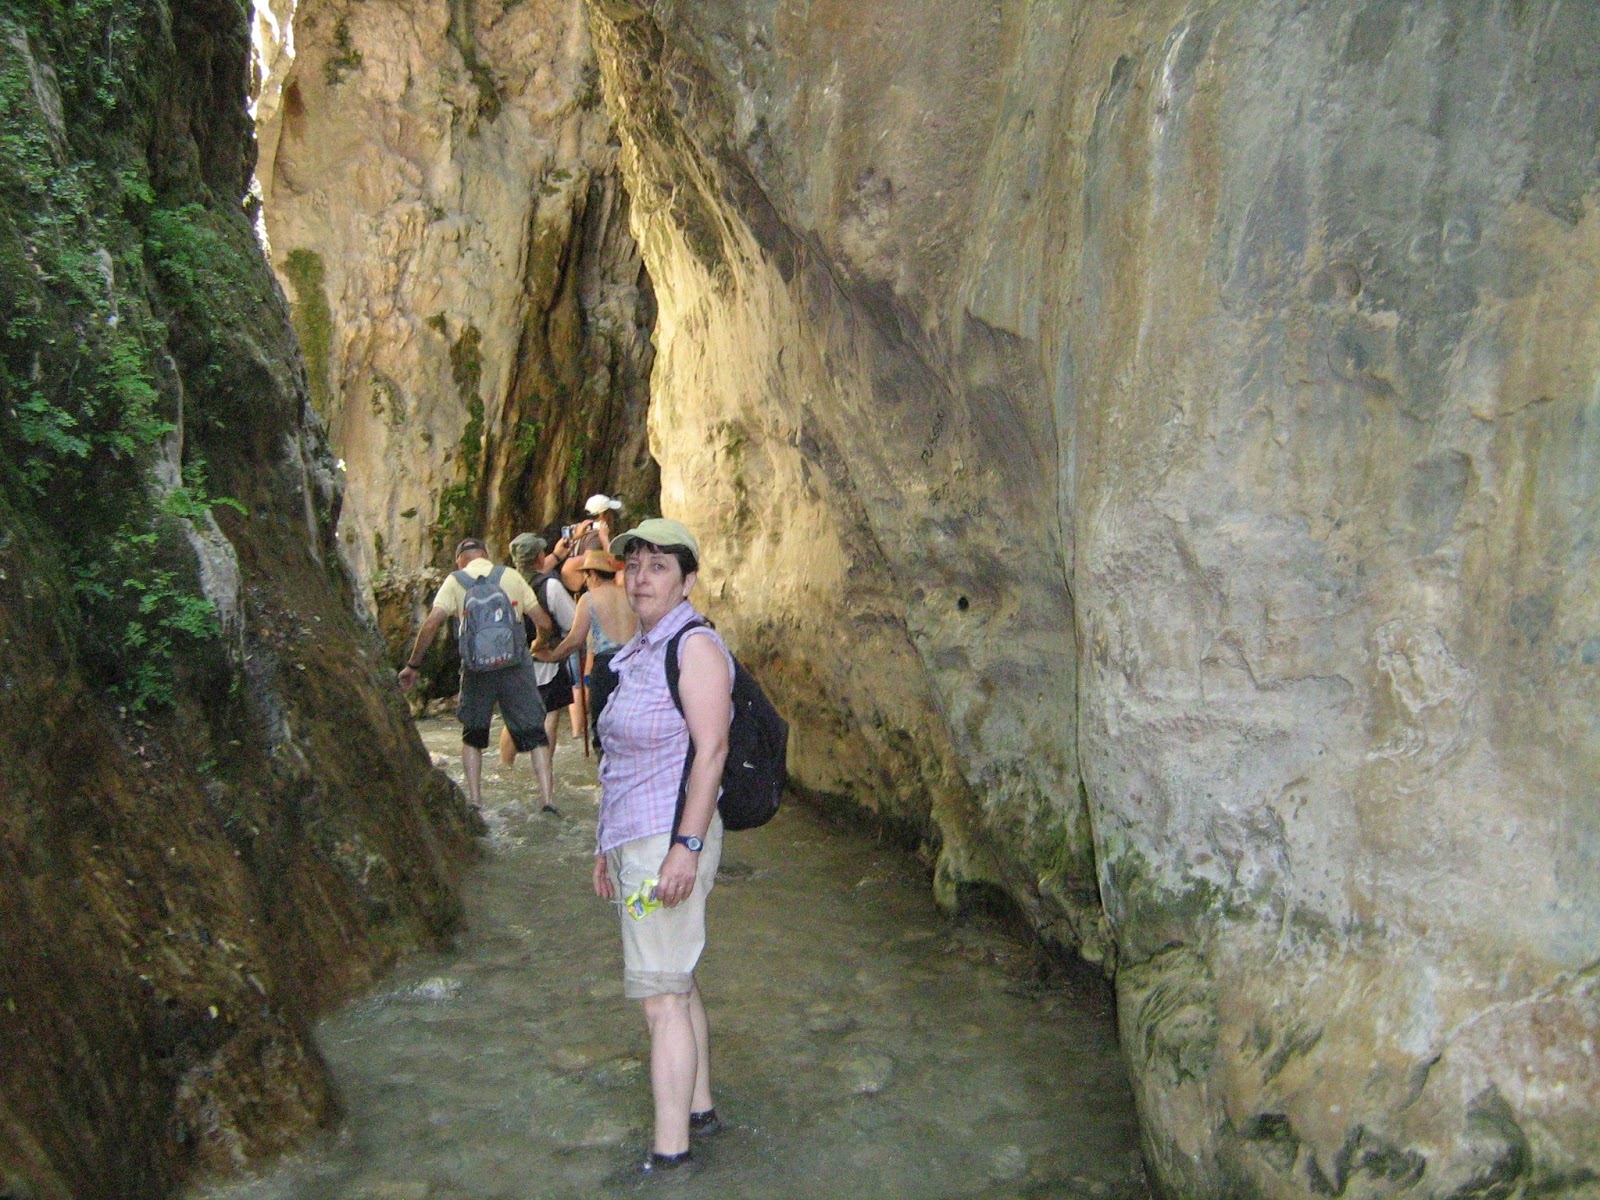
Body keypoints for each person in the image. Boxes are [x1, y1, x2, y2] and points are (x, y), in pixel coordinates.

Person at [593, 518, 733, 1176]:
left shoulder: (694, 647)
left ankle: (671, 1150)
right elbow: (621, 759)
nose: (641, 577)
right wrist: (605, 848)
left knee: (660, 997)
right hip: (638, 842)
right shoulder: (643, 647)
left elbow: (712, 753)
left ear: (687, 580)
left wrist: (686, 847)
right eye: (634, 565)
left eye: (658, 566)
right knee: (675, 976)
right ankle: (699, 1107)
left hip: (668, 845)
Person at [398, 537, 554, 810]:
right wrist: (539, 643)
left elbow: (432, 623)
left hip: (476, 670)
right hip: (515, 666)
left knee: (473, 734)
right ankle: (547, 800)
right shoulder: (511, 575)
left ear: (461, 560)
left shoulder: (456, 581)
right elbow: (543, 621)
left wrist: (413, 665)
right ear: (485, 555)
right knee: (535, 732)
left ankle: (476, 800)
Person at [533, 549, 638, 750]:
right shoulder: (631, 596)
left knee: (603, 732)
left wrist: (552, 656)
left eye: (586, 575)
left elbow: (574, 640)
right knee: (632, 730)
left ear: (593, 574)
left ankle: (606, 774)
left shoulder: (589, 599)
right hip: (635, 665)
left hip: (606, 669)